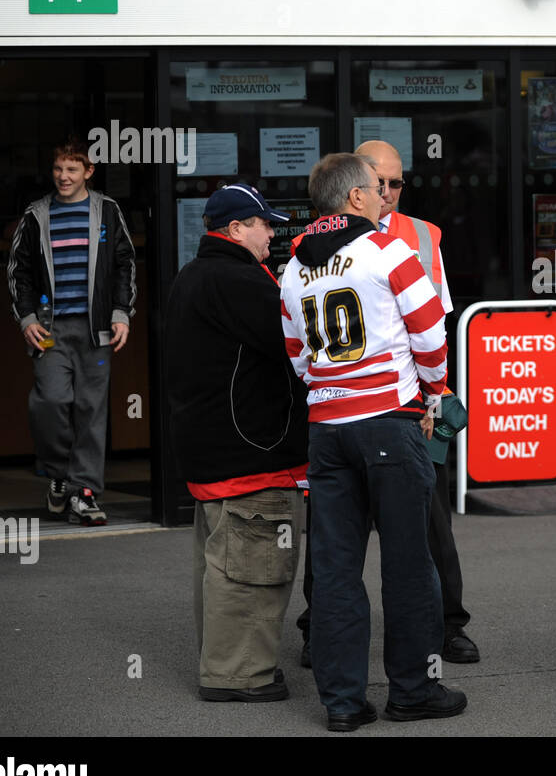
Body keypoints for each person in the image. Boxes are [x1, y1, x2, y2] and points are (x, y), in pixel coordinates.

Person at [281, 152, 464, 731]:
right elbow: (432, 330)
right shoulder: (387, 248)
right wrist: (434, 392)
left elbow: (296, 352)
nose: (386, 197)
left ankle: (342, 702)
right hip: (390, 420)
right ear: (356, 198)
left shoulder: (292, 267)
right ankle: (412, 691)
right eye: (376, 189)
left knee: (335, 568)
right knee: (410, 564)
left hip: (327, 431)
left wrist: (329, 391)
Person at [166, 183, 309, 703]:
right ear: (235, 229)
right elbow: (298, 343)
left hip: (216, 454)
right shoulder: (237, 278)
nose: (273, 232)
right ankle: (238, 674)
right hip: (251, 454)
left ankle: (226, 664)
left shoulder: (194, 274)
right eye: (264, 224)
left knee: (221, 566)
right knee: (251, 569)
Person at [354, 139, 478, 664]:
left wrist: (436, 399)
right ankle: (319, 627)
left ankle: (450, 625)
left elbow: (437, 324)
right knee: (340, 529)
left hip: (413, 404)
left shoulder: (425, 237)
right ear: (357, 184)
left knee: (433, 524)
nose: (388, 193)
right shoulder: (326, 238)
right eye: (378, 183)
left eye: (397, 182)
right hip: (352, 407)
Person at [8, 142, 136, 525]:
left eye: (72, 170)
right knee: (49, 403)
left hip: (96, 330)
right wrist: (27, 318)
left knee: (90, 410)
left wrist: (121, 314)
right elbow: (19, 272)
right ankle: (59, 474)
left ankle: (84, 492)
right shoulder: (36, 215)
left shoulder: (107, 211)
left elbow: (125, 265)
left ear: (89, 172)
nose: (64, 177)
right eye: (59, 169)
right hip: (49, 329)